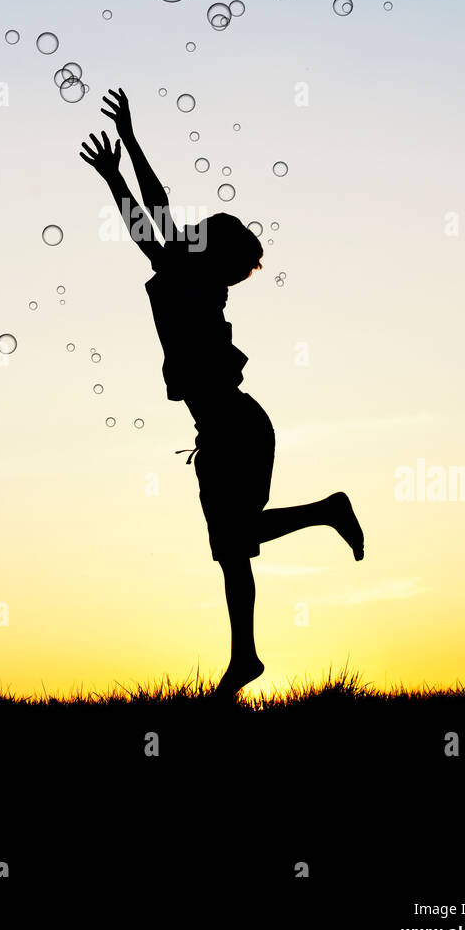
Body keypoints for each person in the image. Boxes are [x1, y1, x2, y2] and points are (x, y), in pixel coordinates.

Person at [80, 88, 364, 698]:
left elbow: (150, 213)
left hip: (234, 426)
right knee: (234, 548)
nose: (192, 224)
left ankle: (325, 514)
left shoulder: (191, 272)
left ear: (210, 249)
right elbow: (152, 220)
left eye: (204, 226)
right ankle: (246, 659)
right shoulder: (186, 269)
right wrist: (119, 162)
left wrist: (124, 155)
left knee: (235, 540)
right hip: (225, 429)